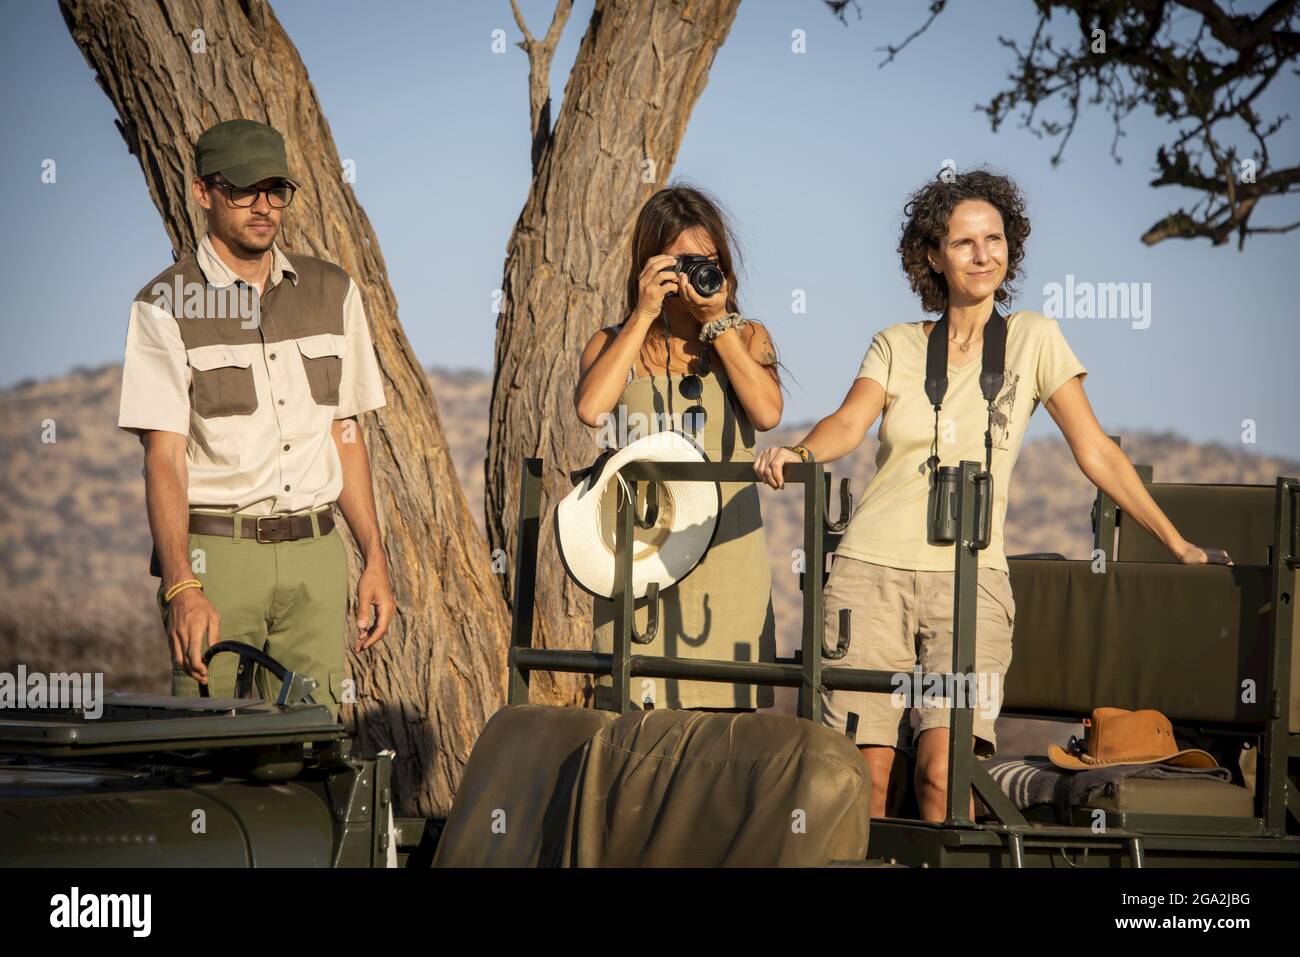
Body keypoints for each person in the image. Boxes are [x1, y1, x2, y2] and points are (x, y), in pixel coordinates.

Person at [754, 168, 1230, 821]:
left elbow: (1094, 450)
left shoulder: (1034, 337)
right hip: (869, 575)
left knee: (944, 777)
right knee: (858, 781)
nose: (984, 254)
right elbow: (846, 422)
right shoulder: (894, 344)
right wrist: (801, 450)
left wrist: (1177, 543)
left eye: (995, 239)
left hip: (969, 584)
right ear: (932, 256)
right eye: (964, 243)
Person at [117, 119, 395, 720]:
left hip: (317, 556)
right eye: (243, 190)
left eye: (276, 190)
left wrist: (373, 555)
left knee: (311, 745)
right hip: (217, 557)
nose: (263, 207)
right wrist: (182, 586)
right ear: (202, 192)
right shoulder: (164, 306)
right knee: (200, 746)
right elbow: (162, 459)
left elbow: (345, 433)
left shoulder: (334, 291)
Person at [574, 184, 784, 711]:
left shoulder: (748, 336)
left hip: (729, 552)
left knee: (725, 732)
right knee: (635, 724)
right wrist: (643, 315)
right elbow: (591, 410)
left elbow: (767, 412)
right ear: (649, 265)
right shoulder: (611, 342)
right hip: (641, 556)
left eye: (707, 262)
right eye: (680, 263)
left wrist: (718, 324)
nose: (694, 275)